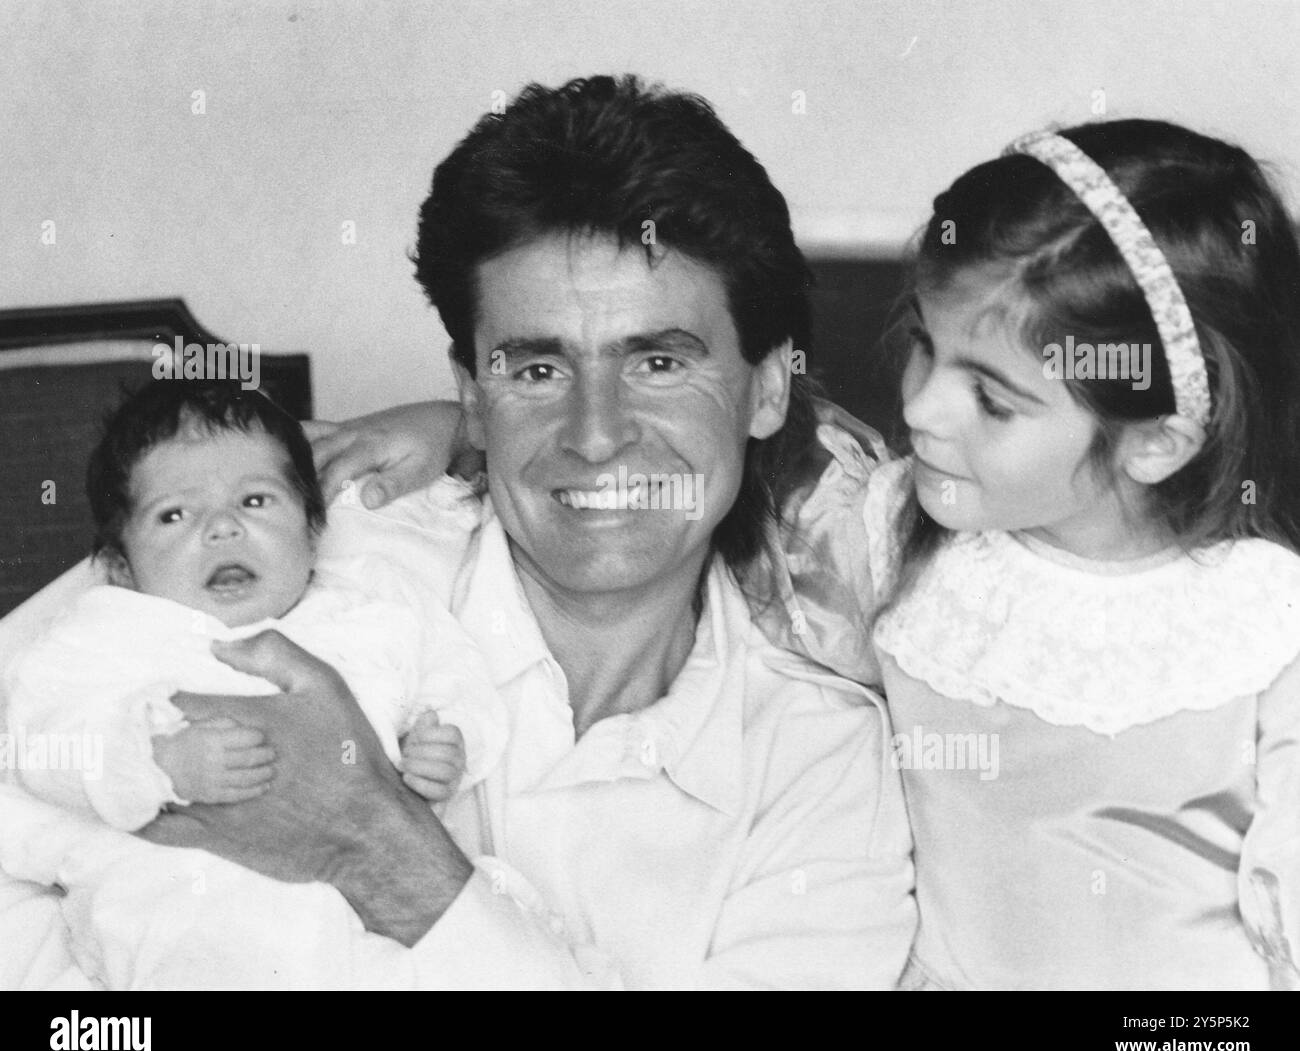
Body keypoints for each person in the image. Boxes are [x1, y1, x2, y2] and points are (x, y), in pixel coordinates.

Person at [324, 117, 1300, 991]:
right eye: (924, 346)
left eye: (991, 398)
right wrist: (456, 422)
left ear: (1160, 437)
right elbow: (700, 455)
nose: (919, 406)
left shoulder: (1264, 627)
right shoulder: (887, 529)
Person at [0, 74, 915, 990]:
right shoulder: (299, 547)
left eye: (660, 361)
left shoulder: (821, 763)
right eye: (538, 369)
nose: (596, 435)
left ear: (766, 390)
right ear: (472, 400)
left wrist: (380, 850)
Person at [4, 380, 496, 831]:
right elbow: (39, 745)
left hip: (363, 882)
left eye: (255, 500)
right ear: (121, 567)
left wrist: (447, 742)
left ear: (313, 526)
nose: (222, 527)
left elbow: (456, 676)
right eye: (173, 515)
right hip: (179, 891)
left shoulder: (373, 603)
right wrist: (157, 762)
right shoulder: (107, 633)